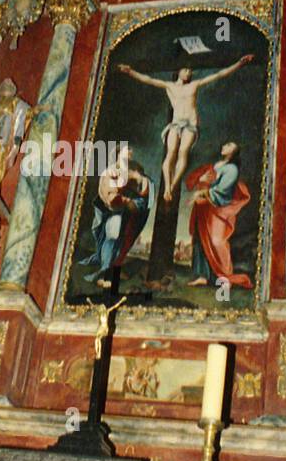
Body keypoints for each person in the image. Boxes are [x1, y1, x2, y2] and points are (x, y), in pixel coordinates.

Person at [118, 56, 254, 203]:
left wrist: (239, 63)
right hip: (175, 124)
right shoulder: (169, 85)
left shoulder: (194, 85)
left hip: (190, 125)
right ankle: (167, 186)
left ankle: (173, 186)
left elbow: (219, 74)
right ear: (179, 71)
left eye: (190, 71)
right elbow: (147, 79)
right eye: (186, 70)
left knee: (182, 152)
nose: (189, 73)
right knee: (170, 154)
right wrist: (130, 71)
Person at [81, 146, 151, 287]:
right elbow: (110, 195)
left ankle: (114, 272)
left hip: (127, 214)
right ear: (118, 154)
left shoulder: (131, 172)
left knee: (121, 243)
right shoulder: (111, 171)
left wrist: (141, 180)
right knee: (112, 238)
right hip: (114, 212)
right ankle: (103, 274)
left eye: (131, 153)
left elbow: (142, 191)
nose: (130, 155)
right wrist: (126, 200)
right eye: (127, 152)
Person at [186, 142, 253, 289]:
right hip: (204, 207)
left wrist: (203, 191)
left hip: (218, 208)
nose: (224, 145)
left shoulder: (231, 169)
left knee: (217, 242)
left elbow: (223, 190)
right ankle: (202, 275)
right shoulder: (217, 164)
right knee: (200, 239)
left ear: (234, 152)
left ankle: (225, 276)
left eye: (229, 145)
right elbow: (204, 181)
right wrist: (201, 181)